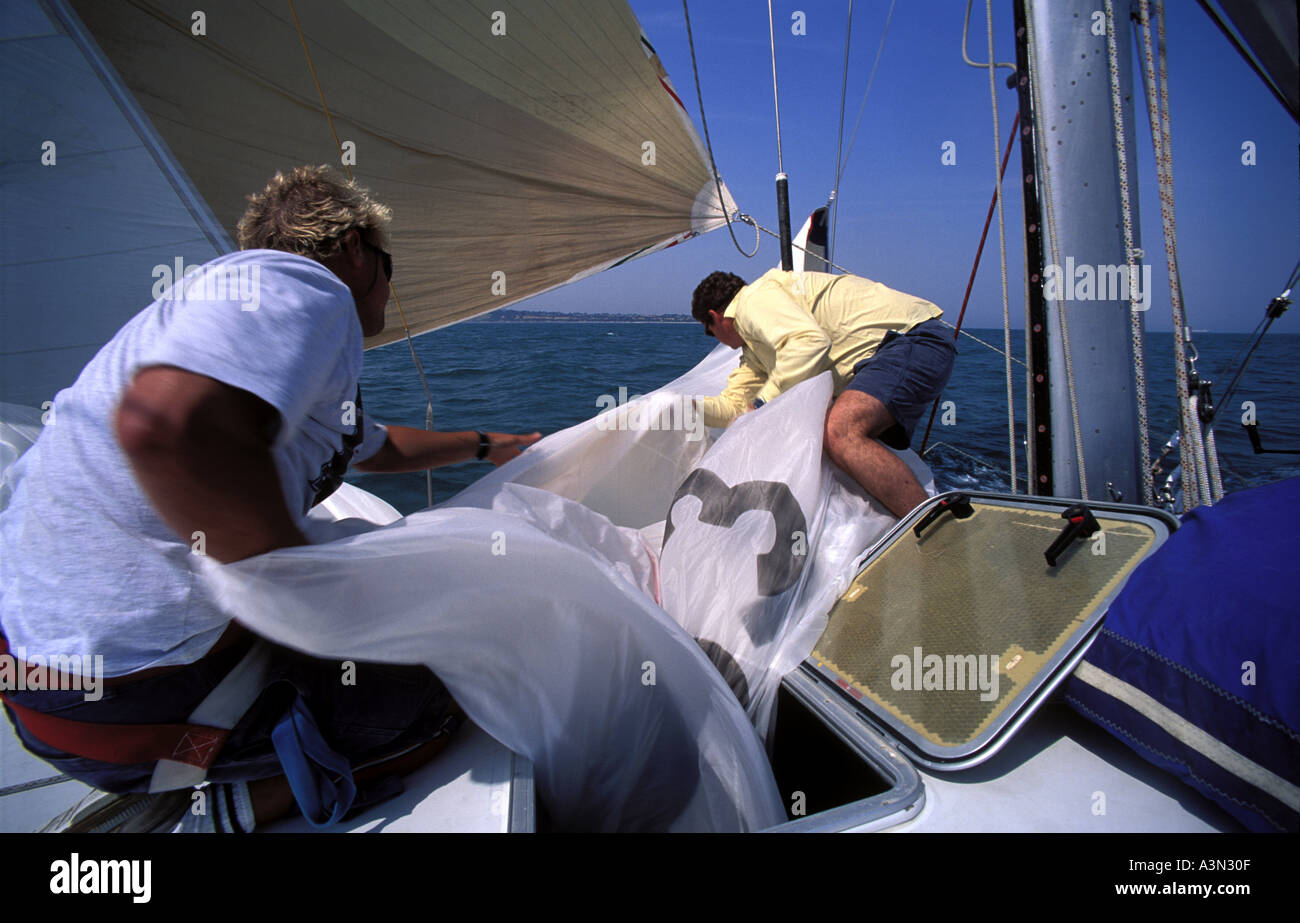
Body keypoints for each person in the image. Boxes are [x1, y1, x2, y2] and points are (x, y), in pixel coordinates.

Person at [0, 165, 541, 831]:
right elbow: (166, 426)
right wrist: (302, 591)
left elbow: (374, 446)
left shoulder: (217, 320)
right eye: (389, 263)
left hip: (40, 700)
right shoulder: (304, 285)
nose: (390, 289)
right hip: (141, 699)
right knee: (454, 686)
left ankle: (198, 773)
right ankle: (234, 805)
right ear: (353, 249)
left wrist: (487, 443)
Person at [691, 268, 956, 519]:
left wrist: (762, 406)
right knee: (828, 438)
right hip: (883, 357)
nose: (715, 338)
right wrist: (677, 409)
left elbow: (808, 343)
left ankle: (933, 525)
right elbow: (733, 406)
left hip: (911, 338)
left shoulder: (753, 299)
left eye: (709, 331)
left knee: (839, 430)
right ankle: (903, 520)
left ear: (715, 316)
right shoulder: (755, 351)